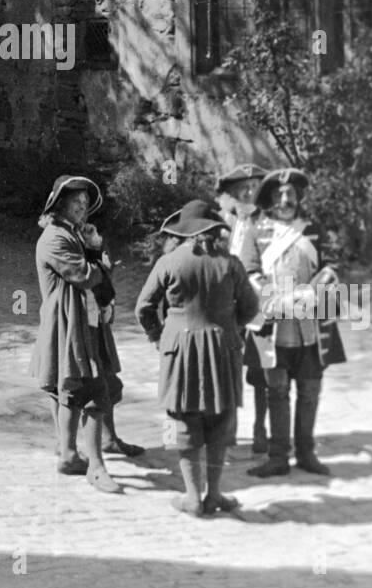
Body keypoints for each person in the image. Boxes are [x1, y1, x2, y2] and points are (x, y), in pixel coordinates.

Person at [135, 200, 259, 517]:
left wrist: (158, 335)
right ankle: (214, 493)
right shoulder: (230, 263)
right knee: (220, 418)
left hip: (179, 347)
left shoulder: (169, 262)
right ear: (214, 230)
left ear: (185, 232)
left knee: (185, 419)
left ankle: (192, 496)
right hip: (223, 346)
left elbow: (143, 308)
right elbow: (250, 308)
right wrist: (232, 326)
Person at [245, 168, 347, 479]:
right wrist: (279, 299)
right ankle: (278, 458)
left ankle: (306, 454)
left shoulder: (313, 229)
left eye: (291, 194)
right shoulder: (256, 233)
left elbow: (332, 265)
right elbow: (249, 273)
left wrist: (317, 289)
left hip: (311, 326)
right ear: (270, 199)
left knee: (310, 392)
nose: (287, 199)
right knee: (276, 393)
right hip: (273, 326)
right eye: (280, 194)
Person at [29, 175, 122, 494]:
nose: (82, 209)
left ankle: (68, 453)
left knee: (67, 387)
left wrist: (94, 249)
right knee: (88, 391)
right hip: (66, 323)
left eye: (85, 204)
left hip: (82, 319)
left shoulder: (73, 234)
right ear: (60, 206)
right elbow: (83, 276)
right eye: (76, 204)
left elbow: (93, 272)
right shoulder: (55, 238)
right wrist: (98, 256)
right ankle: (95, 468)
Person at [77, 220, 146, 459]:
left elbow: (104, 275)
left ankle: (109, 439)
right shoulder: (65, 239)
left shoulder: (91, 236)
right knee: (83, 386)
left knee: (108, 381)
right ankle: (72, 449)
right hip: (81, 323)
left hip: (98, 319)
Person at [216, 162, 268, 454]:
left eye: (254, 188)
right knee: (229, 367)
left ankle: (261, 429)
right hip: (228, 303)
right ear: (233, 193)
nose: (248, 193)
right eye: (242, 189)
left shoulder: (269, 223)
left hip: (259, 300)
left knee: (261, 367)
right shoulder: (223, 221)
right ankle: (229, 428)